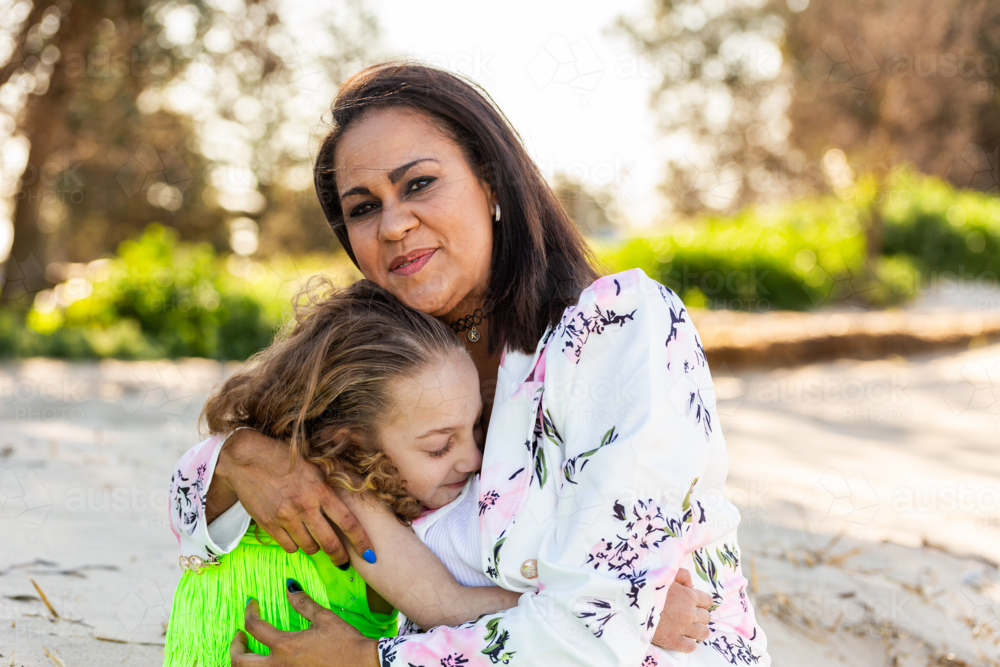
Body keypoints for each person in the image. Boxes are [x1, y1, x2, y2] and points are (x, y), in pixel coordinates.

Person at [169, 61, 769, 666]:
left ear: (490, 182)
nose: (395, 224)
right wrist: (240, 458)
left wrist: (370, 660)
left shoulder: (618, 329)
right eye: (363, 208)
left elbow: (599, 633)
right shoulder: (389, 350)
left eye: (419, 184)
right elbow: (194, 523)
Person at [166, 279, 711, 665]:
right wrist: (624, 612)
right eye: (438, 446)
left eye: (475, 430)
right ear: (346, 442)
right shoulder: (339, 494)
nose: (473, 460)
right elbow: (443, 604)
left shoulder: (363, 478)